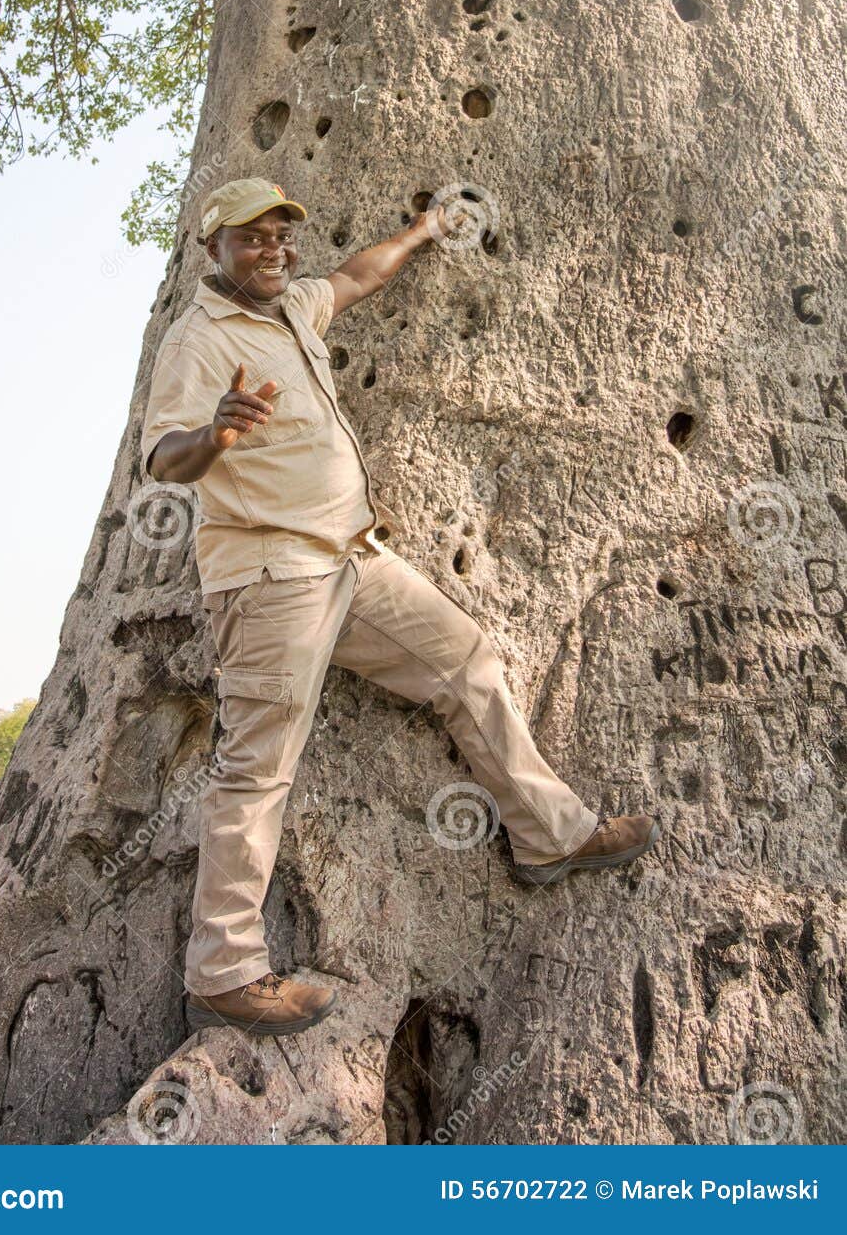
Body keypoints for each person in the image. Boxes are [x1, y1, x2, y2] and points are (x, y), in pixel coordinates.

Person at [140, 177, 659, 1037]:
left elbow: (352, 278)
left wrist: (420, 231)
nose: (271, 248)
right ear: (212, 250)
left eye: (279, 234)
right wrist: (217, 433)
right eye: (250, 237)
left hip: (350, 560)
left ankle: (550, 835)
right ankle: (224, 970)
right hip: (271, 579)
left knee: (464, 660)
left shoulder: (290, 309)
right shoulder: (196, 341)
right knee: (257, 769)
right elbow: (164, 458)